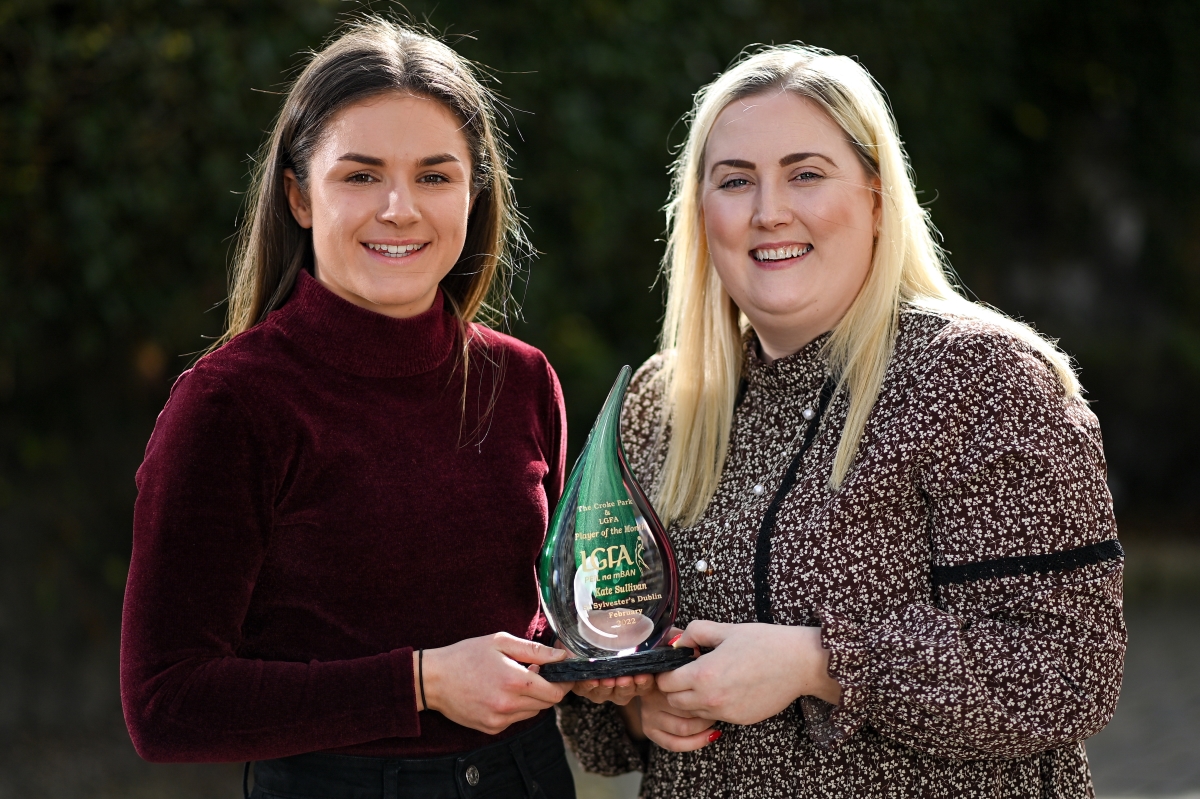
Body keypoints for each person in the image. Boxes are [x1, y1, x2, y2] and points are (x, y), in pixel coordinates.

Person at [559, 44, 1124, 798]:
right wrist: (639, 700)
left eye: (806, 173)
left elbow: (1069, 667)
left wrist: (817, 663)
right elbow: (604, 691)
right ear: (700, 212)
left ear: (876, 196)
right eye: (735, 181)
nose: (769, 211)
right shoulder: (661, 406)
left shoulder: (981, 378)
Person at [120, 19, 577, 799]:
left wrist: (608, 659)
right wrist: (421, 683)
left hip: (527, 775)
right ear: (299, 195)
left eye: (435, 176)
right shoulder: (232, 404)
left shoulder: (523, 380)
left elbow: (541, 615)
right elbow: (166, 703)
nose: (399, 208)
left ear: (475, 193)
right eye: (360, 175)